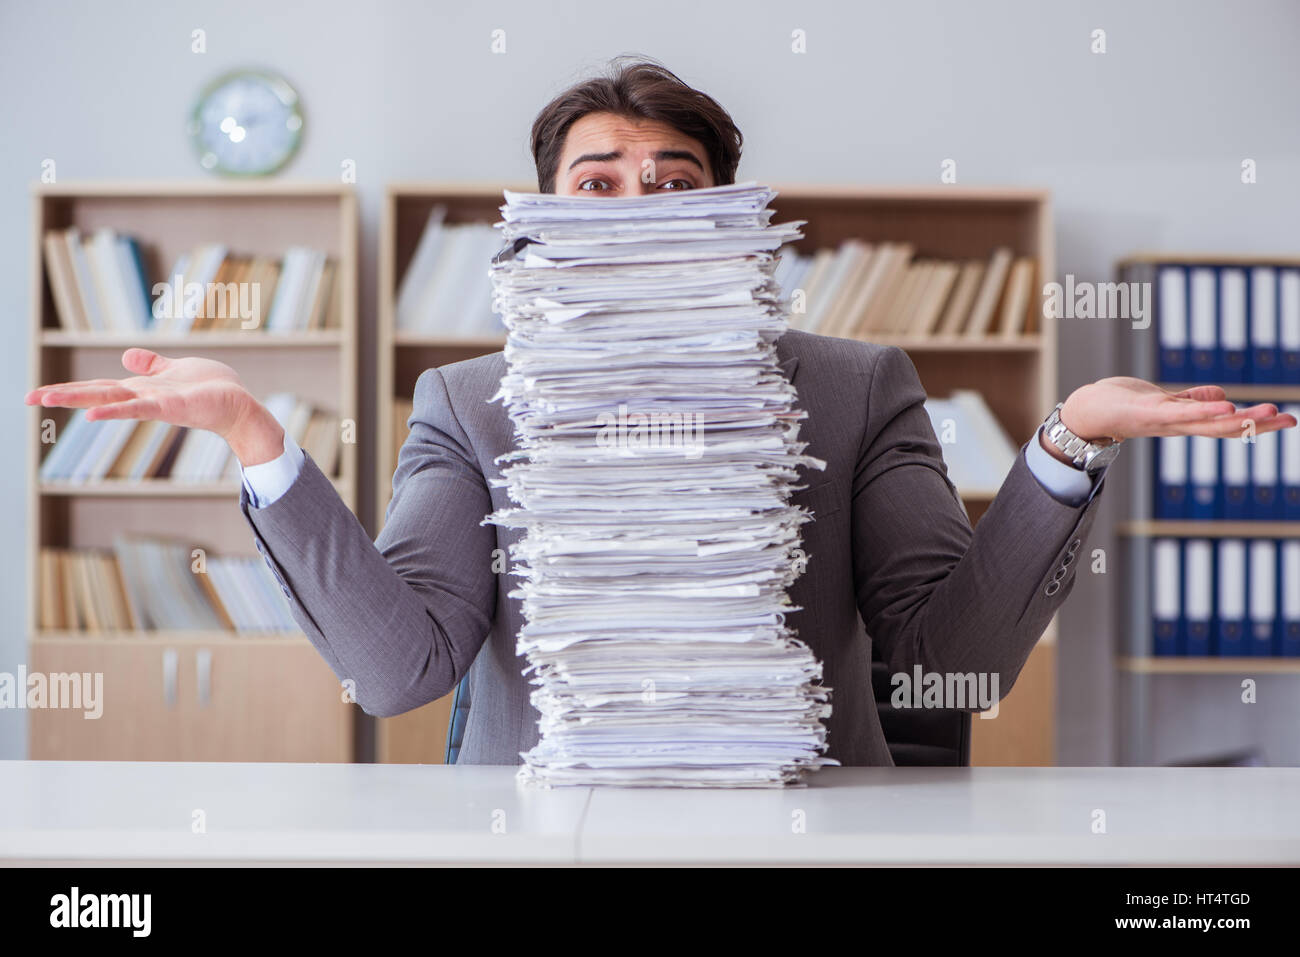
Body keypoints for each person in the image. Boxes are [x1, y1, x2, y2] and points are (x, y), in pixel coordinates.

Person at [26, 58, 1297, 766]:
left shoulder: (856, 387)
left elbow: (935, 666)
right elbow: (400, 669)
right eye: (598, 182)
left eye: (674, 180)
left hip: (803, 826)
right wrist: (259, 444)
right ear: (541, 221)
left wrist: (1069, 440)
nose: (635, 205)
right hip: (543, 829)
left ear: (731, 214)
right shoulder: (469, 403)